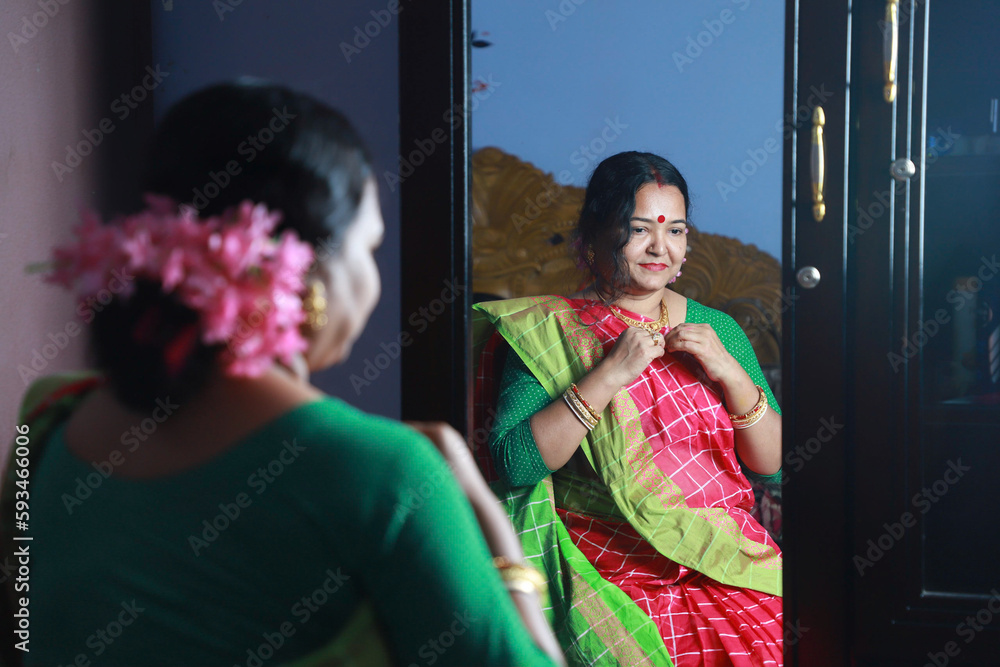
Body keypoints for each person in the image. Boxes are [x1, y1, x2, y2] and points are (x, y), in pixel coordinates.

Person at [2, 81, 565, 667]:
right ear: (310, 275)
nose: (374, 280)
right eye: (369, 248)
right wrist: (486, 523)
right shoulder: (388, 472)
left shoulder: (49, 420)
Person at [472, 151, 783, 667]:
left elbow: (769, 463)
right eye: (639, 229)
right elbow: (514, 465)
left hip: (724, 563)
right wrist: (608, 374)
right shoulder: (546, 332)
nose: (661, 247)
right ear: (592, 237)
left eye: (676, 231)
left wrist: (728, 371)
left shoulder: (718, 329)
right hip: (607, 568)